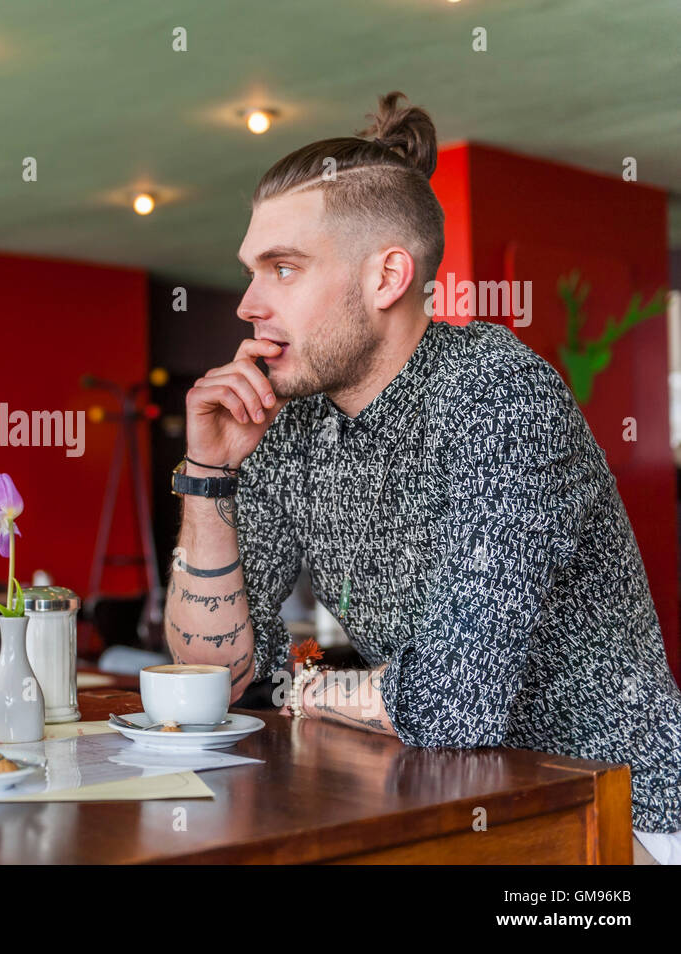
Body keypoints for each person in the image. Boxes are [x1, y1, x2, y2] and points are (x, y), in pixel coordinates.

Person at [165, 91, 681, 865]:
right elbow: (212, 681)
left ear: (387, 278)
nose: (248, 305)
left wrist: (306, 692)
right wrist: (208, 475)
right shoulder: (288, 423)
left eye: (283, 269)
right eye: (252, 272)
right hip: (455, 802)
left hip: (619, 816)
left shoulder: (498, 393)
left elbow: (454, 706)